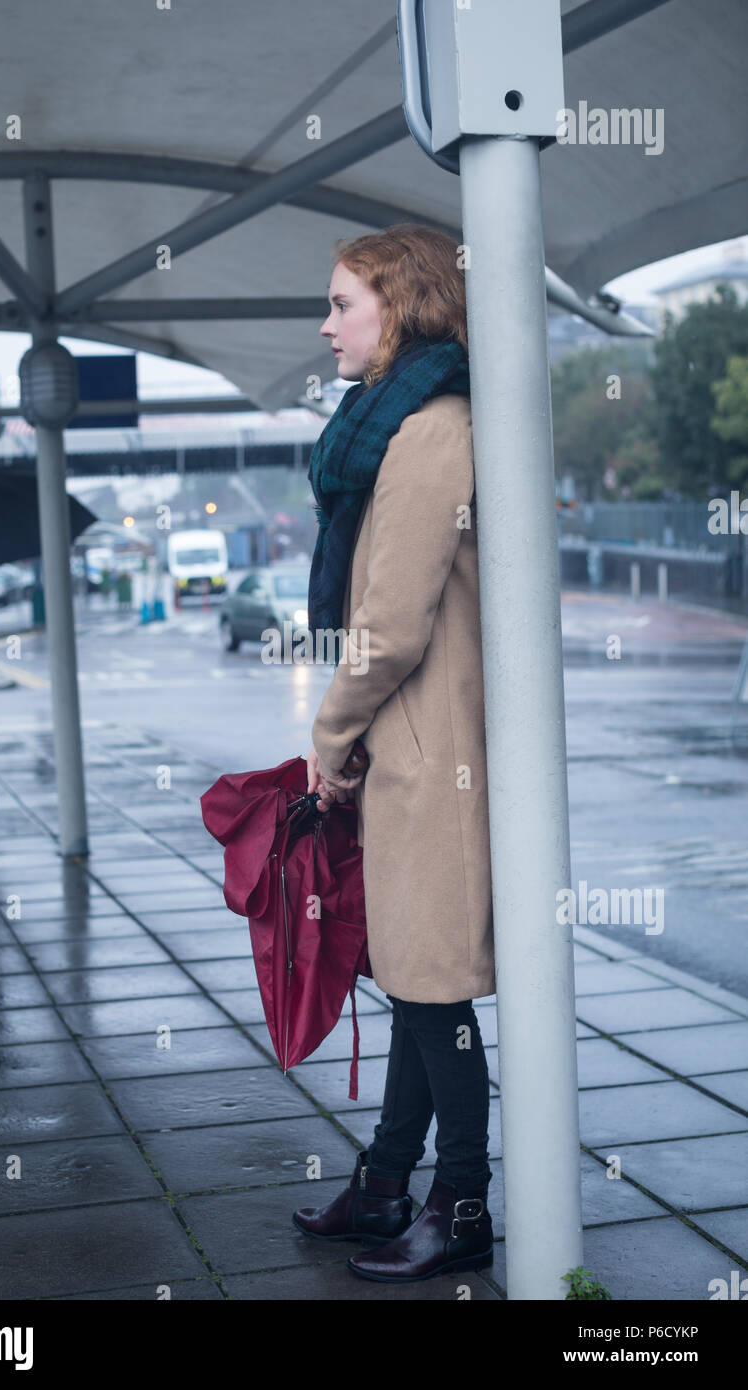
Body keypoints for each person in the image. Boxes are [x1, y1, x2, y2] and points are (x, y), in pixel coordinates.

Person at [295, 224, 496, 1284]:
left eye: (340, 304)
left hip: (430, 752)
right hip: (410, 751)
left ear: (399, 306)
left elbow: (391, 624)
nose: (324, 325)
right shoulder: (395, 425)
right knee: (419, 981)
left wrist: (326, 738)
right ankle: (385, 1182)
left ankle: (459, 1201)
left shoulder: (429, 432)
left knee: (432, 988)